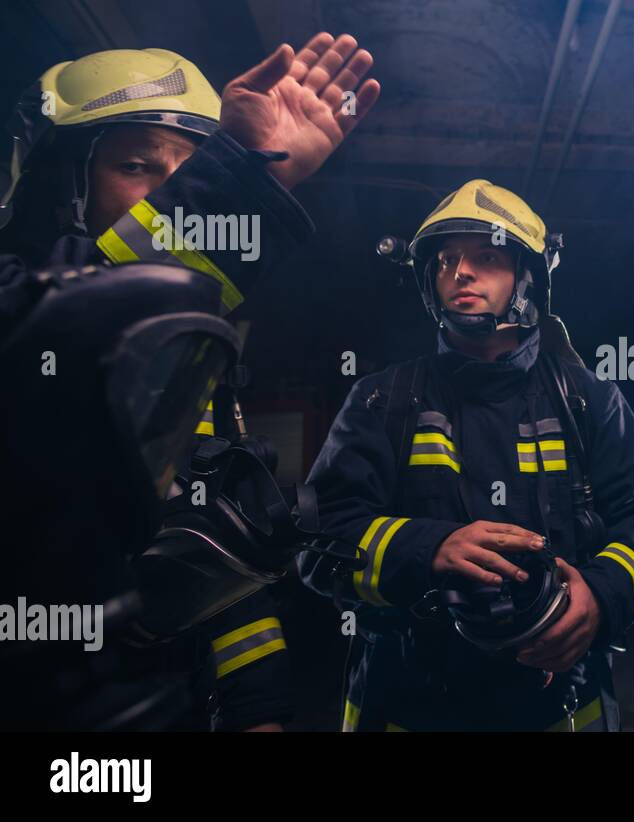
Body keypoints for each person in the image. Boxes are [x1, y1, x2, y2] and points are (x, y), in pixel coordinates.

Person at [0, 34, 379, 730]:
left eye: (189, 170)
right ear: (58, 184)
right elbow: (62, 323)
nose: (168, 191)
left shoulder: (191, 372)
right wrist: (235, 181)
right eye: (139, 165)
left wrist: (259, 712)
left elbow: (214, 571)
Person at [299, 179, 634, 731]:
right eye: (446, 259)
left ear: (526, 279)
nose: (461, 272)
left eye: (487, 257)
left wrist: (601, 594)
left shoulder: (588, 398)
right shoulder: (383, 399)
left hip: (562, 707)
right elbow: (317, 541)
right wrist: (428, 548)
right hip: (408, 704)